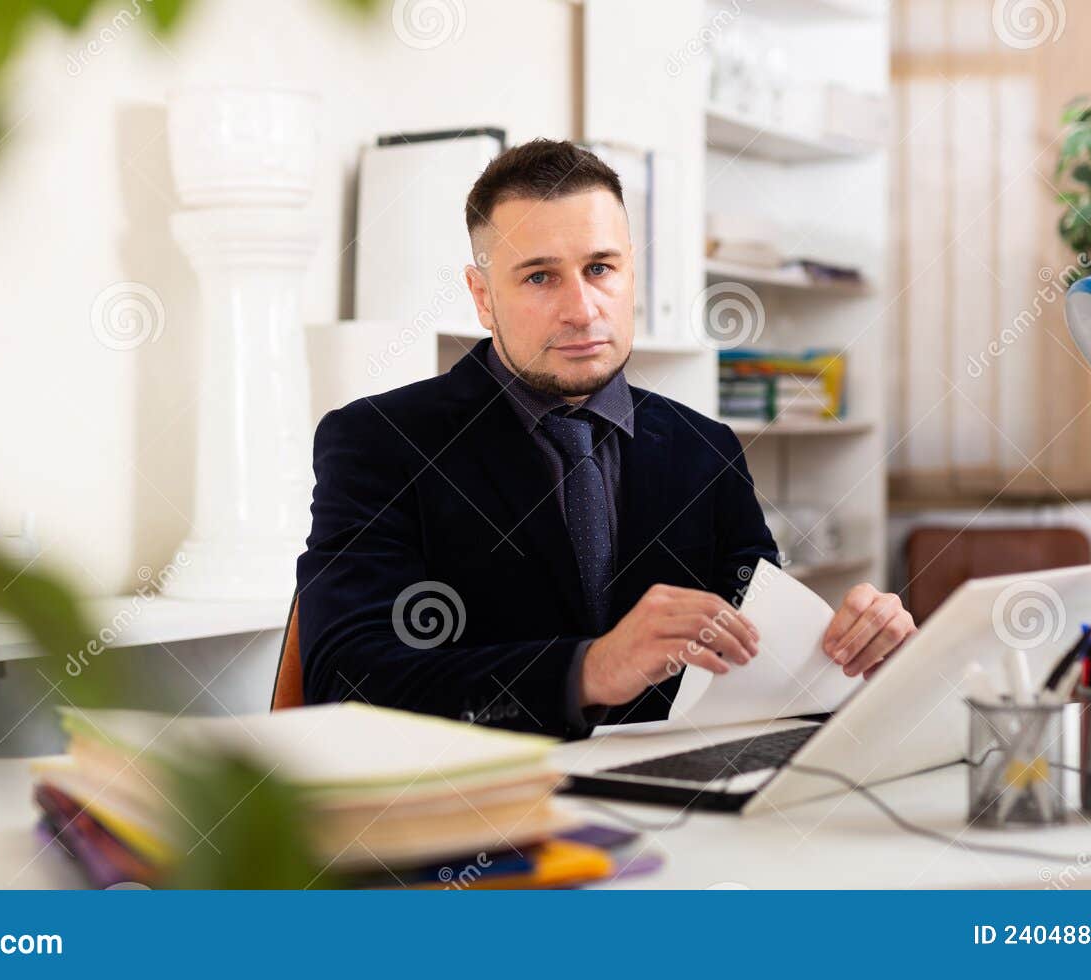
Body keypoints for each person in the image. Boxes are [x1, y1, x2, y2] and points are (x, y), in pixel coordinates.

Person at [295, 138, 914, 738]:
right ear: (482, 297)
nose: (583, 309)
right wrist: (585, 671)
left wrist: (841, 651)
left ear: (630, 273)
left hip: (676, 793)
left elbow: (755, 650)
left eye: (600, 268)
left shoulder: (707, 448)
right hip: (486, 796)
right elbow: (345, 681)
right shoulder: (379, 442)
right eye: (540, 277)